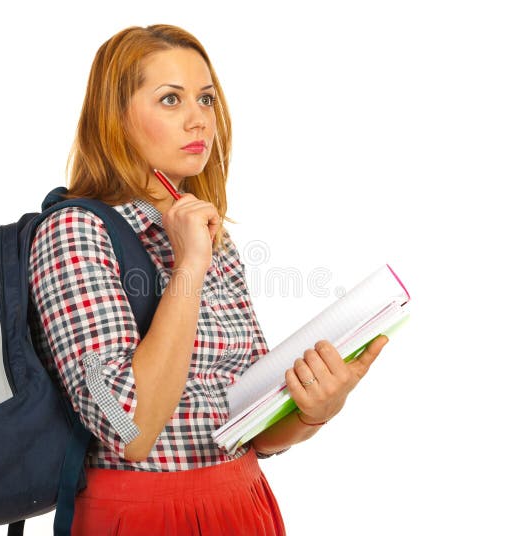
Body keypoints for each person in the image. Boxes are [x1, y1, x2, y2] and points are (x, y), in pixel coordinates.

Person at [27, 24, 389, 535]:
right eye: (170, 99)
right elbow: (125, 428)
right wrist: (188, 267)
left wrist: (315, 409)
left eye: (206, 99)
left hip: (244, 506)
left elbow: (251, 423)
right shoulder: (74, 231)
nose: (198, 118)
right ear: (116, 119)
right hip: (140, 517)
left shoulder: (209, 232)